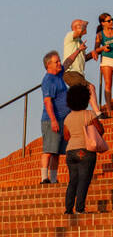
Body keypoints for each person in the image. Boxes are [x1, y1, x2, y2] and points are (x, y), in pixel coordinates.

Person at [62, 83, 101, 215]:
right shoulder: (89, 114)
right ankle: (80, 208)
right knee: (84, 179)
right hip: (86, 150)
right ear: (85, 99)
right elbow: (100, 130)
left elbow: (66, 136)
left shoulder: (68, 118)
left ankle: (68, 209)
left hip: (71, 151)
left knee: (73, 180)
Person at [40, 52, 69, 186]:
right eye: (56, 62)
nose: (59, 64)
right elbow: (47, 102)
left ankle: (53, 179)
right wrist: (53, 120)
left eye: (59, 61)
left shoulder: (58, 75)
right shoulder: (49, 80)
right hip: (52, 119)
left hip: (63, 119)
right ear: (48, 65)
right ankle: (44, 178)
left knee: (57, 152)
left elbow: (68, 62)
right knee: (49, 151)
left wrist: (78, 50)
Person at [61, 18, 100, 114]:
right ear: (74, 28)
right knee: (90, 87)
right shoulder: (69, 37)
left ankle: (76, 114)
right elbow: (78, 31)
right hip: (70, 72)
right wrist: (84, 23)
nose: (84, 27)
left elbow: (83, 58)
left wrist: (95, 52)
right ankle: (98, 113)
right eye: (80, 25)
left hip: (78, 73)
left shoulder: (79, 42)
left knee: (80, 94)